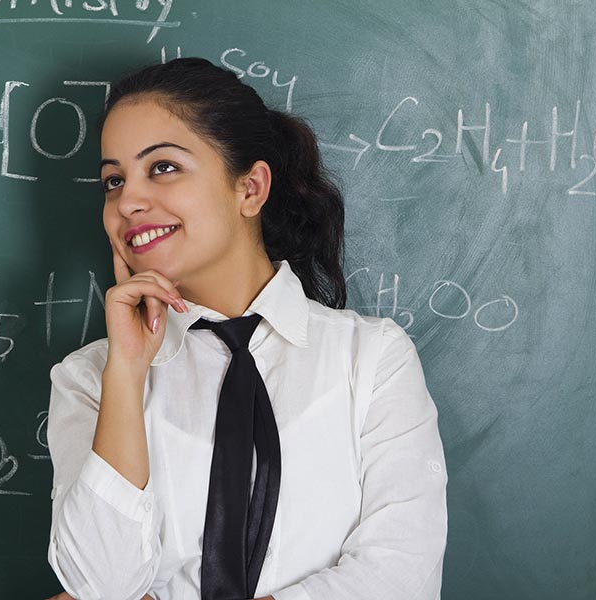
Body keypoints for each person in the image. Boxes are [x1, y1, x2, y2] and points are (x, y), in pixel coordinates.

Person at [44, 57, 448, 600]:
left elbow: (401, 576)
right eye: (113, 180)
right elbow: (99, 586)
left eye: (162, 167)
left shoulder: (371, 360)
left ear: (251, 188)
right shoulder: (90, 377)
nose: (129, 202)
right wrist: (127, 371)